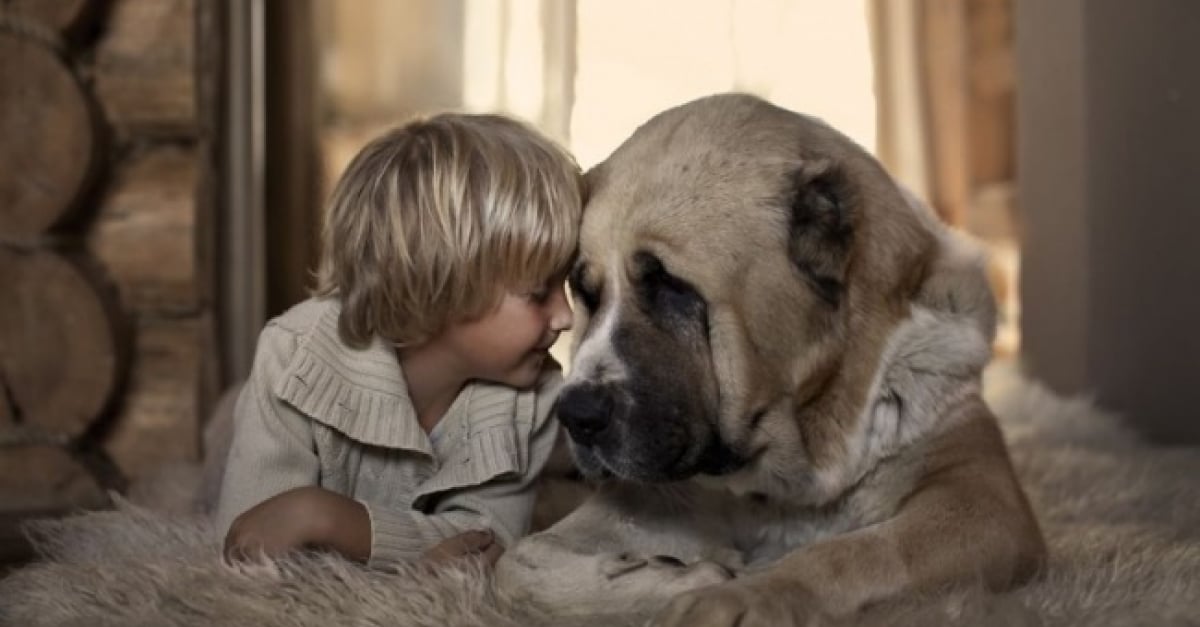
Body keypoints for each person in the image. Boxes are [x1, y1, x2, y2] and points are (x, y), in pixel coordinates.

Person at [215, 112, 581, 570]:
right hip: (262, 413)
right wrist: (420, 555)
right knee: (222, 440)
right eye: (539, 292)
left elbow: (486, 547)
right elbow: (250, 540)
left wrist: (324, 517)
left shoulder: (534, 394)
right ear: (442, 284)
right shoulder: (293, 353)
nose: (565, 316)